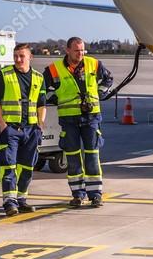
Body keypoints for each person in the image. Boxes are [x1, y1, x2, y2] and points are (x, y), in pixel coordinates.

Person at [44, 37, 113, 208]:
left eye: (82, 50)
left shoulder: (94, 64)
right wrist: (54, 98)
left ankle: (95, 194)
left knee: (92, 155)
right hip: (69, 119)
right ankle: (77, 194)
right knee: (73, 157)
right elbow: (43, 89)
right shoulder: (54, 69)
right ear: (67, 50)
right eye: (77, 50)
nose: (80, 54)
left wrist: (100, 93)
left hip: (91, 117)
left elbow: (108, 79)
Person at [0, 43, 46, 216]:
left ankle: (21, 200)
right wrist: (2, 125)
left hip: (31, 130)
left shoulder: (38, 77)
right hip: (11, 129)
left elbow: (42, 104)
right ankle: (9, 202)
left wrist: (40, 124)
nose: (18, 59)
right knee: (9, 166)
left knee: (27, 167)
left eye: (22, 56)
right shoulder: (3, 75)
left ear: (30, 57)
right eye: (15, 56)